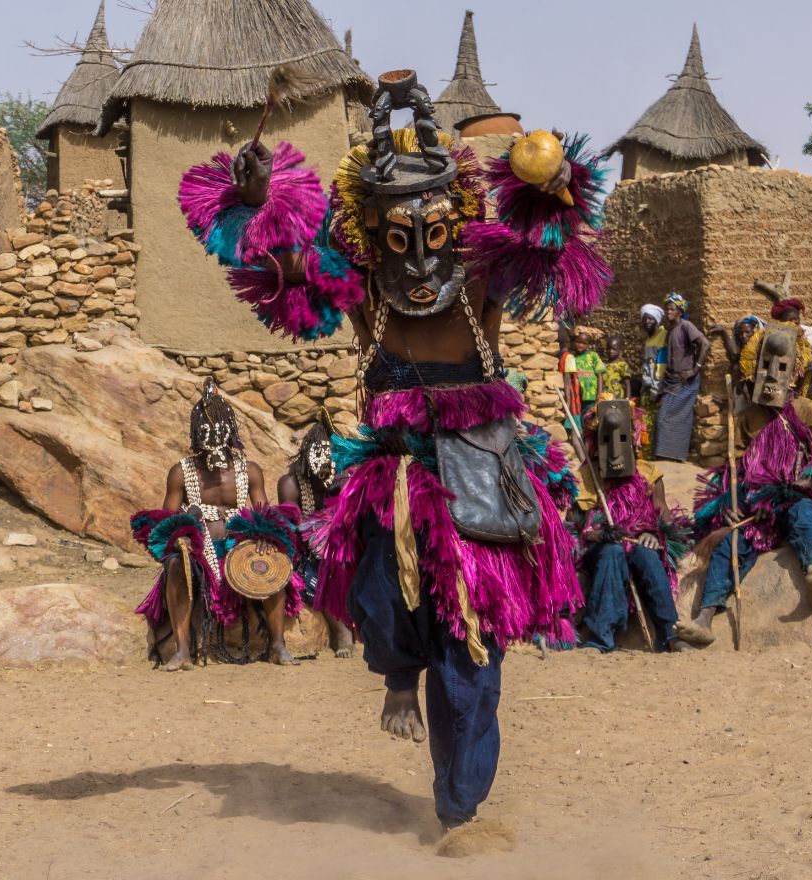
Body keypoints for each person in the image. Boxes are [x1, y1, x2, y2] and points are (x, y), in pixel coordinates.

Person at [178, 70, 607, 835]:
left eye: (433, 234)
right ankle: (398, 676)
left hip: (483, 470)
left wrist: (550, 189)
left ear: (455, 222)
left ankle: (459, 807)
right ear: (374, 233)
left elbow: (546, 243)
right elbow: (281, 264)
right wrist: (257, 199)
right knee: (383, 591)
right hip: (397, 471)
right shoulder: (365, 288)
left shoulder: (482, 278)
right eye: (398, 238)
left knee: (471, 650)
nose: (418, 257)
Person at [675, 324, 812, 646]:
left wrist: (797, 485)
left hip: (797, 494)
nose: (772, 374)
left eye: (781, 367)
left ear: (795, 373)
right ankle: (705, 618)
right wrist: (733, 503)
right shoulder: (748, 417)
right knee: (731, 543)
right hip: (756, 505)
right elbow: (737, 472)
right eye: (765, 366)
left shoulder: (808, 410)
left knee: (805, 517)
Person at [132, 379, 304, 670]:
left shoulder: (249, 470)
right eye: (205, 431)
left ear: (230, 432)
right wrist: (181, 539)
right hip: (199, 554)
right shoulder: (181, 472)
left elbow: (264, 511)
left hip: (240, 550)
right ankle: (182, 651)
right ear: (196, 434)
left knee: (272, 556)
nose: (212, 437)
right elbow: (166, 522)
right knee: (175, 563)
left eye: (218, 430)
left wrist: (266, 536)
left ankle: (277, 646)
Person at [568, 402, 689, 652]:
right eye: (606, 441)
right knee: (612, 553)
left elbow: (664, 516)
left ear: (633, 438)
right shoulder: (586, 477)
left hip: (638, 542)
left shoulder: (648, 474)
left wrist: (653, 533)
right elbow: (573, 529)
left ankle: (670, 633)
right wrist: (598, 534)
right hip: (600, 549)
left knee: (647, 556)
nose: (614, 451)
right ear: (595, 442)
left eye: (622, 439)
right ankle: (601, 637)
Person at [277, 414, 354, 657]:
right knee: (324, 572)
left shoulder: (344, 477)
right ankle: (341, 631)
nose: (323, 461)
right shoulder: (290, 483)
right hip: (307, 553)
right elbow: (291, 526)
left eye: (329, 455)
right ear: (306, 455)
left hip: (343, 546)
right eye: (317, 454)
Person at [653, 293, 709, 462]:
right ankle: (669, 454)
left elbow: (705, 343)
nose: (668, 312)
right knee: (667, 416)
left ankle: (675, 454)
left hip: (685, 381)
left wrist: (695, 369)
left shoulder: (686, 326)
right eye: (667, 309)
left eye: (672, 309)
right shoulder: (671, 331)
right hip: (672, 380)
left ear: (680, 311)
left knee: (673, 417)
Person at [637, 304, 668, 457]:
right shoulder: (650, 338)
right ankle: (646, 453)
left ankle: (650, 454)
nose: (647, 322)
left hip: (656, 387)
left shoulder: (662, 336)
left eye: (651, 319)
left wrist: (656, 388)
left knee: (650, 421)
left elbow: (661, 365)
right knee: (644, 420)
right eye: (645, 319)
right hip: (648, 385)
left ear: (657, 320)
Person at [560, 327, 603, 429]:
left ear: (588, 344)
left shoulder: (593, 356)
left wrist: (599, 394)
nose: (581, 345)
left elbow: (599, 376)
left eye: (584, 343)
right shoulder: (571, 357)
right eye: (578, 342)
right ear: (574, 341)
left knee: (590, 420)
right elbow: (567, 379)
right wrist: (568, 400)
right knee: (579, 422)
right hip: (577, 397)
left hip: (591, 396)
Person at [598, 334, 631, 401]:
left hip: (617, 397)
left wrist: (628, 399)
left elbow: (627, 384)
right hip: (604, 397)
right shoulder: (603, 364)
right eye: (609, 349)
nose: (611, 351)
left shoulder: (622, 365)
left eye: (614, 349)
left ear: (620, 350)